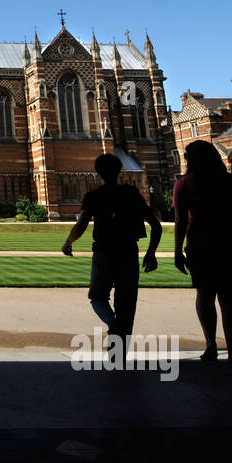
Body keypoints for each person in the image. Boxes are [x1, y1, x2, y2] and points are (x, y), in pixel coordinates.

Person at [173, 139, 232, 362]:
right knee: (231, 303)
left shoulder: (185, 183)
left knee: (205, 297)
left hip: (202, 246)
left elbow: (180, 221)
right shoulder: (230, 181)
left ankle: (211, 347)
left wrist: (178, 251)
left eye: (187, 157)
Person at [62, 153, 162, 358]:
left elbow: (81, 225)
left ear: (98, 172)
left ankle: (113, 324)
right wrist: (151, 253)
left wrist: (68, 243)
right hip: (128, 253)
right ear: (119, 170)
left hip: (104, 254)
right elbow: (156, 225)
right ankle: (119, 355)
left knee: (97, 297)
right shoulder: (132, 194)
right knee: (127, 305)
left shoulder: (94, 196)